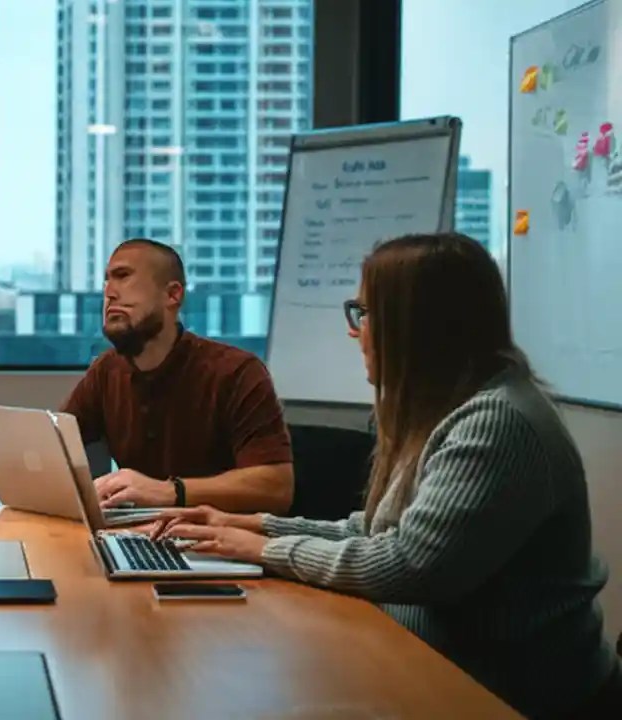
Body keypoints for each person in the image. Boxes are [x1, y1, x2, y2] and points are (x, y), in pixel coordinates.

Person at [151, 232, 621, 719]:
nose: (355, 332)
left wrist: (262, 550)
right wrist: (252, 525)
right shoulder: (440, 409)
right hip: (445, 672)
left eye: (365, 313)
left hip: (521, 699)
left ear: (418, 325)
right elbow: (374, 530)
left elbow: (408, 565)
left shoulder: (497, 422)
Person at [61, 238, 294, 512]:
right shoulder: (107, 370)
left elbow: (276, 487)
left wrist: (169, 492)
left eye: (123, 277)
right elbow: (56, 448)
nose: (110, 293)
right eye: (106, 281)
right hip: (144, 533)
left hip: (219, 540)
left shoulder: (236, 371)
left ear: (173, 295)